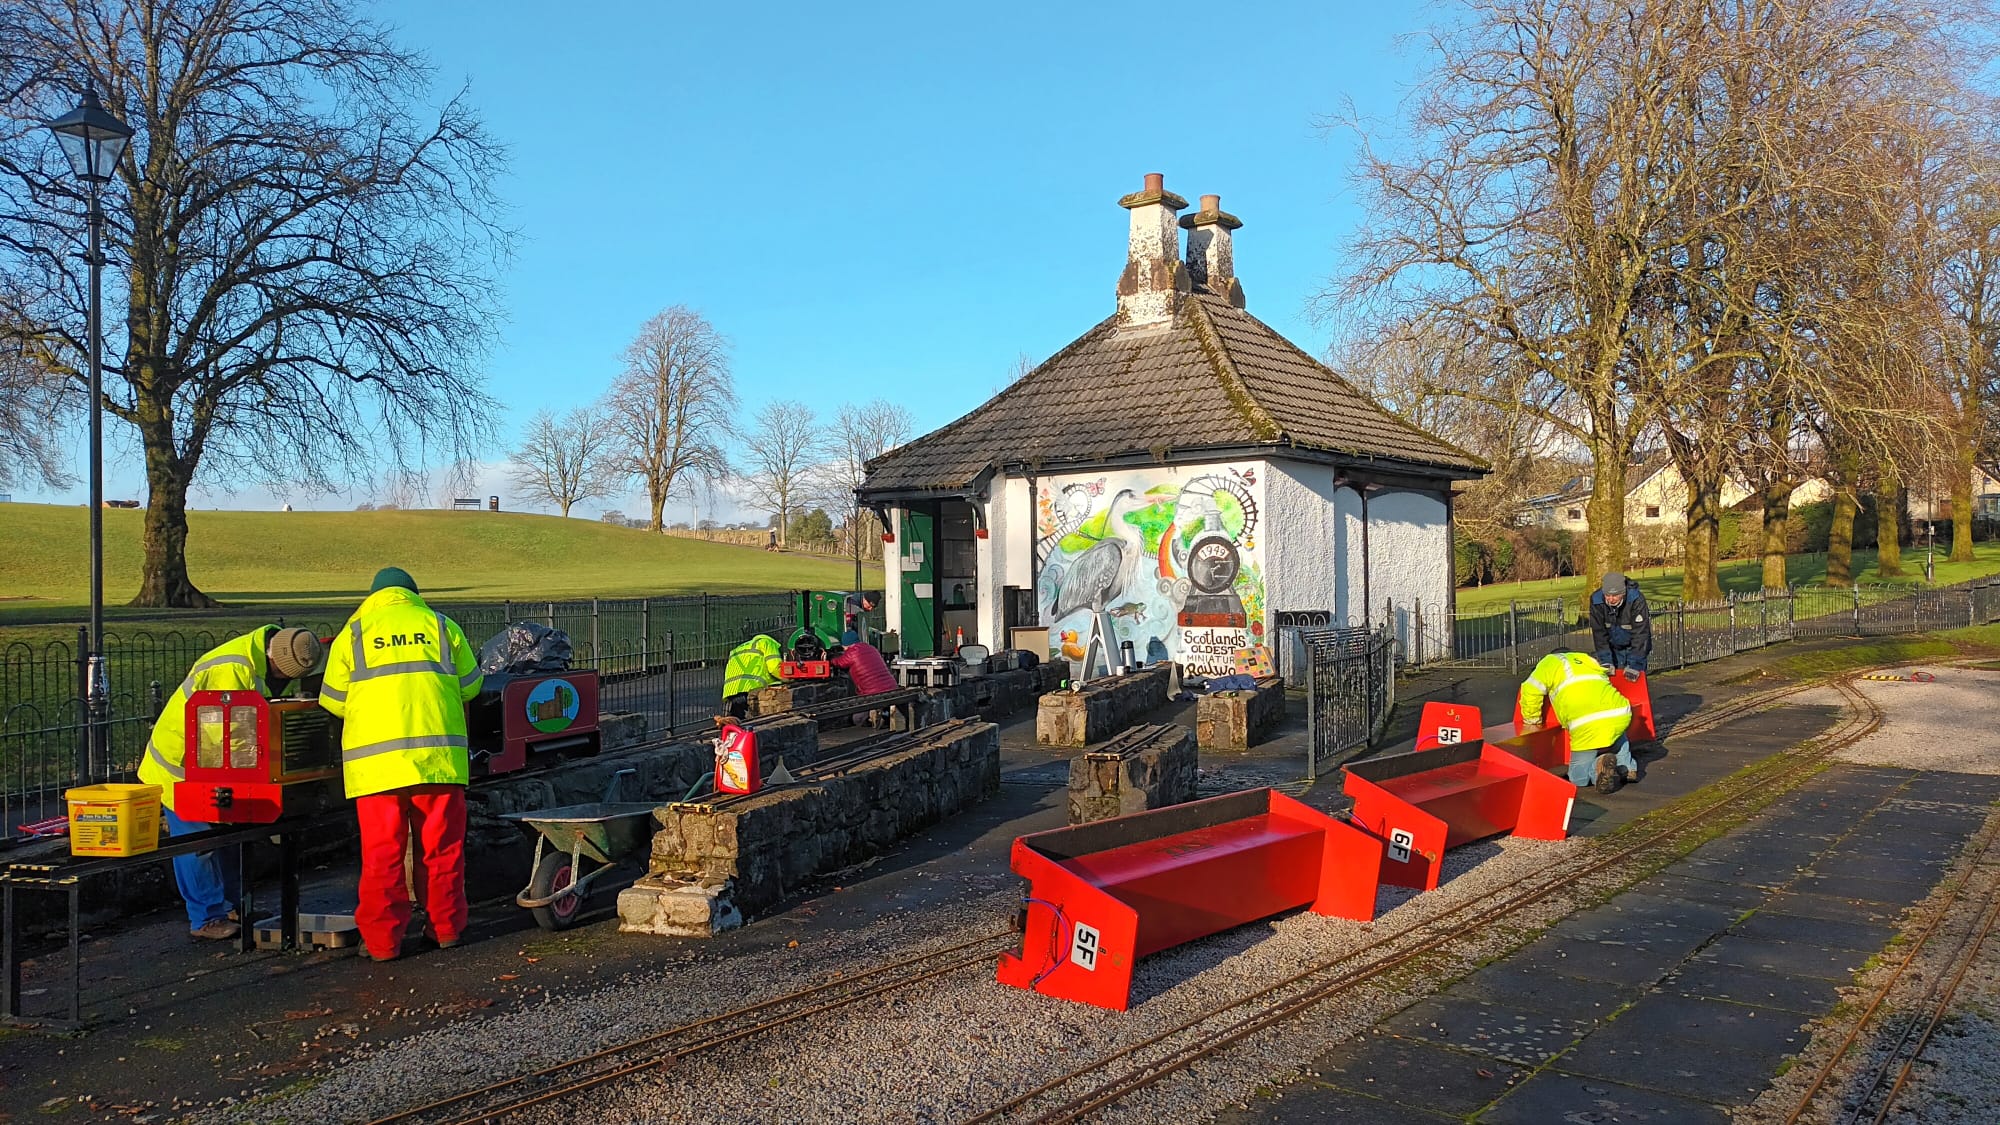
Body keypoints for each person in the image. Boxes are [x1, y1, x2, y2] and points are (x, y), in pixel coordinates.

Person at [319, 567, 482, 962]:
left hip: (376, 768)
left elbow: (332, 701)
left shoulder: (353, 633)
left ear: (375, 595)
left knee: (382, 855)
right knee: (442, 849)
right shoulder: (441, 626)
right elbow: (472, 687)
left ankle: (381, 944)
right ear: (412, 594)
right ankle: (444, 929)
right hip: (437, 761)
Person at [139, 626, 324, 940]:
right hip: (182, 766)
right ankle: (206, 918)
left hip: (211, 759)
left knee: (229, 836)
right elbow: (227, 733)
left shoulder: (263, 657)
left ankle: (234, 906)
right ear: (274, 659)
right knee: (197, 844)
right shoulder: (232, 670)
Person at [1516, 649, 1639, 794]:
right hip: (1619, 711)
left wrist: (1533, 719)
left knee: (1578, 778)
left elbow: (1530, 690)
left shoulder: (1550, 662)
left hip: (1584, 722)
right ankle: (1628, 768)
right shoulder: (1586, 659)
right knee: (1616, 732)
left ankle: (1598, 767)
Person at [1589, 572, 1652, 683]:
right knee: (1614, 684)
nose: (1611, 599)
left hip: (1634, 646)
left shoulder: (1636, 600)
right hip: (1612, 647)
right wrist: (1606, 661)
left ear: (1623, 593)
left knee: (1634, 681)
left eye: (1615, 595)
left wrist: (1635, 664)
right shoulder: (1597, 601)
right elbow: (1599, 634)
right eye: (1607, 595)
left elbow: (1641, 634)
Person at [721, 633, 783, 720]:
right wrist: (787, 679)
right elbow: (774, 667)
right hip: (753, 689)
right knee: (754, 724)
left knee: (733, 725)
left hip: (731, 692)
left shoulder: (738, 648)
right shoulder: (767, 643)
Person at [830, 640, 897, 696]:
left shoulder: (851, 653)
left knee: (858, 709)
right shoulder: (871, 648)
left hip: (872, 692)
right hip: (891, 686)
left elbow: (840, 662)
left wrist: (831, 659)